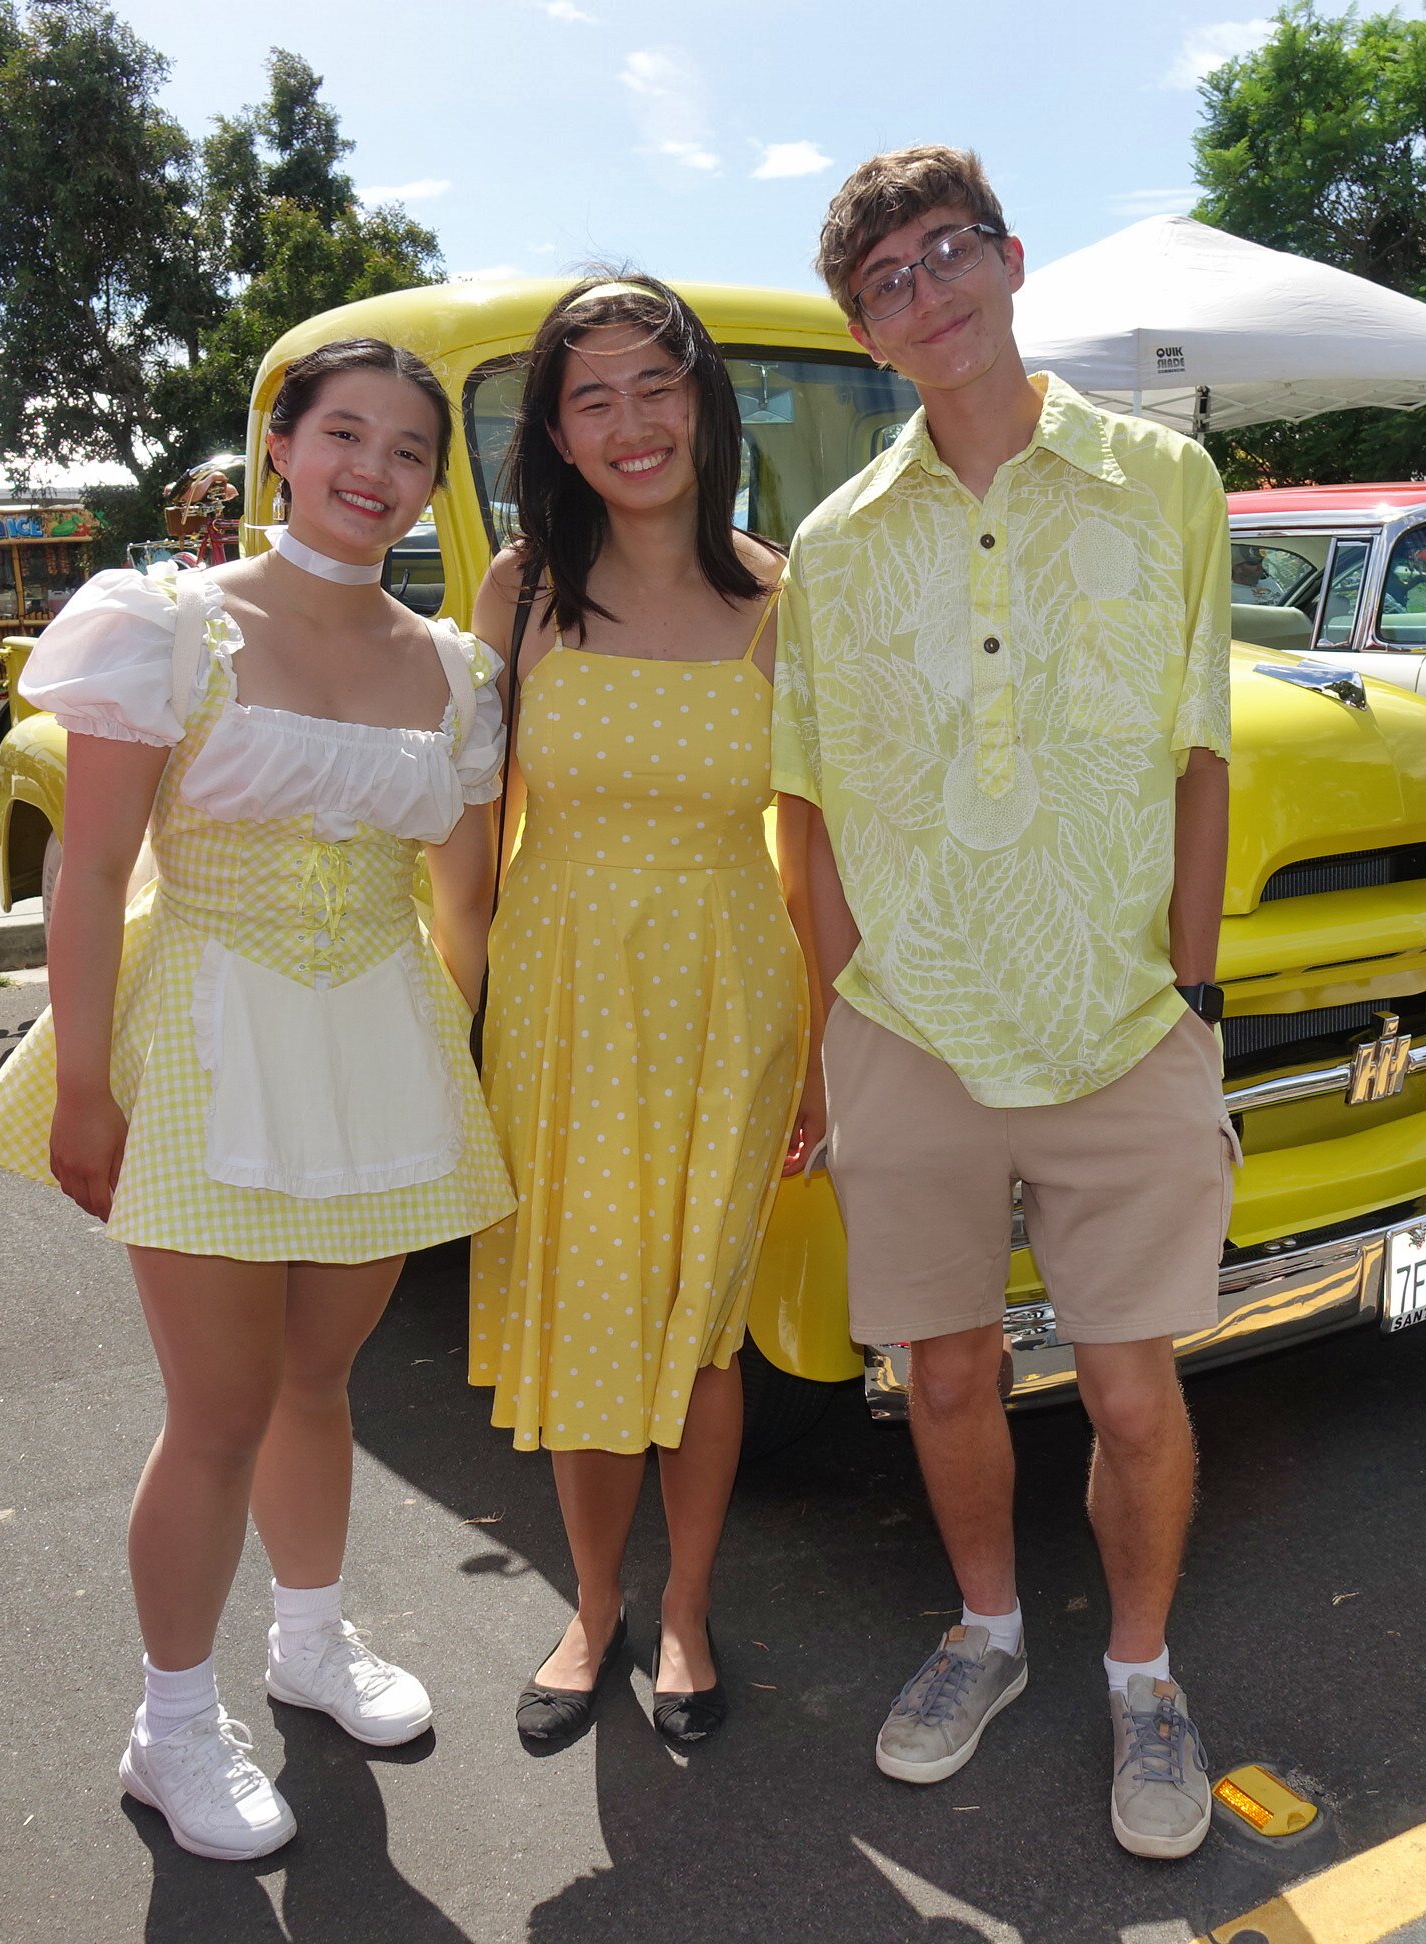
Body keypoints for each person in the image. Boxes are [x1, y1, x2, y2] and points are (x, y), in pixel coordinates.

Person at [0, 338, 516, 1862]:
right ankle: (171, 1722)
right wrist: (82, 1084)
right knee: (215, 1413)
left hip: (382, 1052)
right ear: (281, 442)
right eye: (346, 433)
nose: (376, 469)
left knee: (323, 1384)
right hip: (207, 1042)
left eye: (410, 448)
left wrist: (468, 1055)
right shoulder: (169, 625)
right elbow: (86, 870)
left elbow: (460, 901)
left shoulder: (453, 667)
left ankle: (312, 1640)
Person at [779, 147, 1236, 1859]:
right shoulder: (833, 545)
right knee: (949, 1379)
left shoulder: (1161, 479)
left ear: (1009, 257)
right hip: (909, 1026)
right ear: (864, 330)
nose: (925, 288)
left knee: (1130, 1392)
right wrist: (841, 1014)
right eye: (886, 276)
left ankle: (1142, 1670)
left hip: (1121, 1020)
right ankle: (987, 1629)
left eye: (945, 248)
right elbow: (804, 799)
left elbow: (1200, 754)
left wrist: (1193, 989)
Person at [467, 273, 809, 1750]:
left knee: (705, 1325)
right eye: (590, 395)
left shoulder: (778, 595)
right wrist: (455, 1019)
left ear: (702, 402)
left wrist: (826, 1062)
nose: (630, 423)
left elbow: (819, 841)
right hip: (559, 1005)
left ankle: (685, 1611)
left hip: (733, 1001)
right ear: (556, 424)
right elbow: (465, 835)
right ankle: (595, 1602)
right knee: (583, 1312)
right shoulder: (521, 591)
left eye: (655, 387)